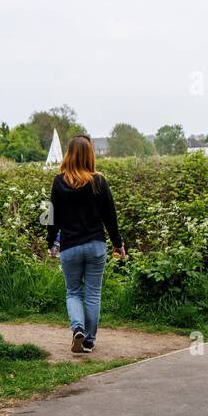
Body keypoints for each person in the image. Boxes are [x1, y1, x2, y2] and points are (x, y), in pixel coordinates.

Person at [46, 135, 125, 354]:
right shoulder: (99, 180)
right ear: (90, 155)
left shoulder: (58, 181)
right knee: (92, 293)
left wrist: (51, 242)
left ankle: (77, 329)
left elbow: (51, 216)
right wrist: (118, 244)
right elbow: (111, 216)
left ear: (68, 155)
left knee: (73, 292)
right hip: (95, 245)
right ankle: (89, 341)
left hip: (70, 246)